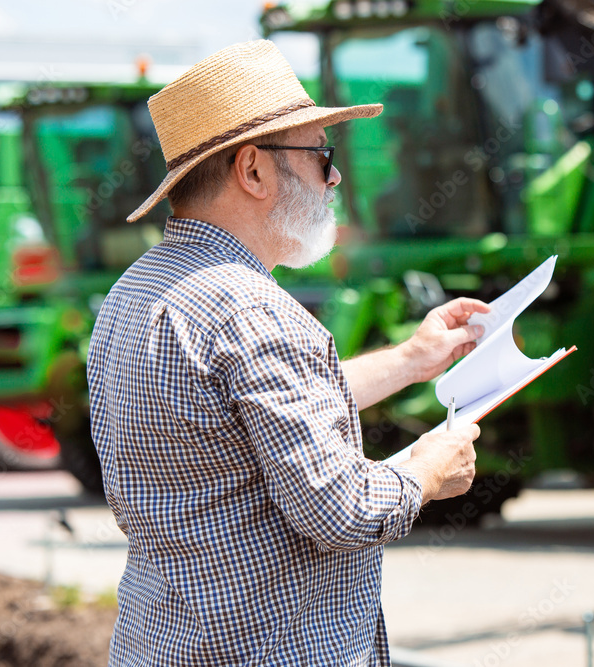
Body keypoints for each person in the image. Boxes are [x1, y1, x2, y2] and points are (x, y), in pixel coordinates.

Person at [87, 40, 489, 665]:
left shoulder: (135, 293)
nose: (332, 176)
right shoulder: (253, 311)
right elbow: (341, 509)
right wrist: (428, 467)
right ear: (253, 170)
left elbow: (249, 415)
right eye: (320, 155)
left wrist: (414, 357)